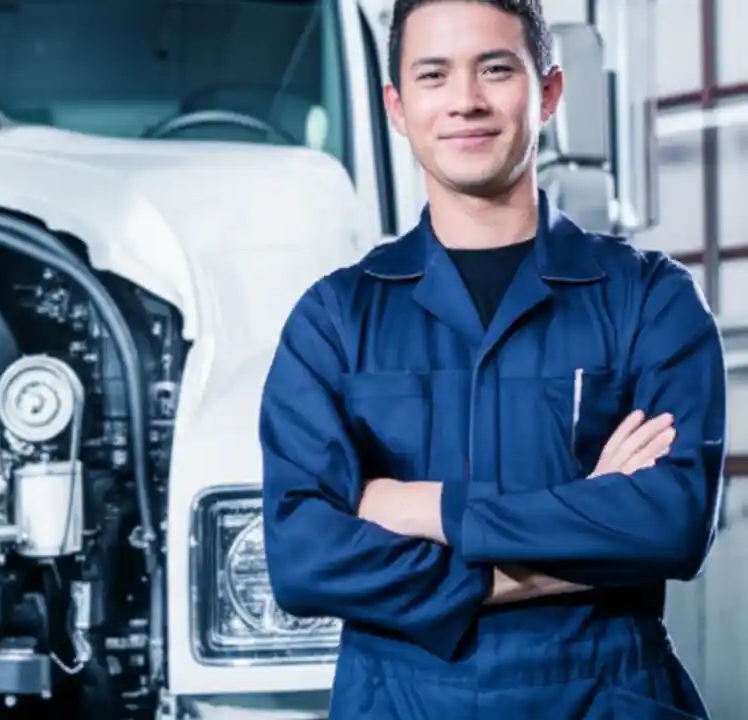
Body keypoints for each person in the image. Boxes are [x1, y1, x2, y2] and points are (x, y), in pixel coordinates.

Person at [257, 0, 728, 718]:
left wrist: (426, 507)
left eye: (496, 69)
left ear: (548, 92)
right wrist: (578, 524)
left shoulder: (649, 301)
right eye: (434, 75)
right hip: (401, 701)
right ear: (397, 105)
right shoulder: (335, 319)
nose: (466, 102)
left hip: (608, 696)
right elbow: (303, 560)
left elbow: (669, 523)